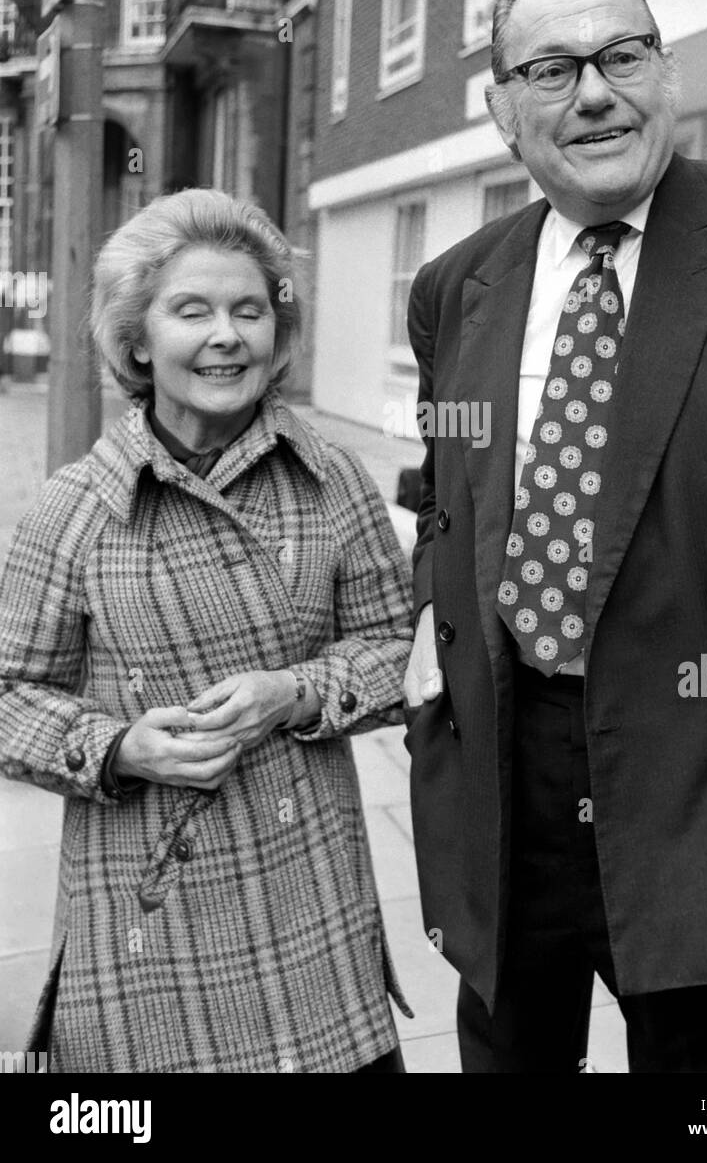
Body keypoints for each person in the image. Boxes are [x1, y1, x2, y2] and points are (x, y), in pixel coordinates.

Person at [403, 0, 707, 1074]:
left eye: (622, 55)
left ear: (667, 72)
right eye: (554, 69)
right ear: (504, 110)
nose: (596, 93)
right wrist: (433, 654)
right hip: (504, 780)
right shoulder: (452, 285)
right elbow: (447, 500)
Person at [0, 188, 413, 1073]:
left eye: (249, 310)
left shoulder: (331, 479)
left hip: (316, 914)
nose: (226, 335)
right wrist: (119, 748)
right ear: (138, 339)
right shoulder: (74, 510)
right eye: (192, 310)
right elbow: (7, 697)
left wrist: (296, 693)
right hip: (152, 925)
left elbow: (397, 647)